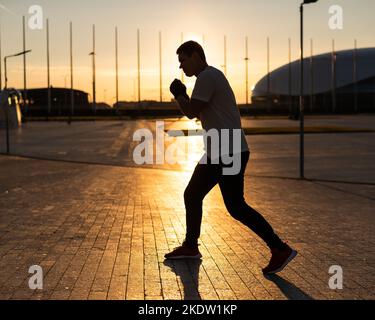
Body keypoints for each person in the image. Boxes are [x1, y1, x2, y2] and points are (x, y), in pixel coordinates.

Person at [165, 40, 297, 274]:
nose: (181, 67)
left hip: (228, 151)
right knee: (196, 195)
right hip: (220, 151)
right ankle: (190, 246)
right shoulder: (210, 77)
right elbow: (198, 113)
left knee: (234, 205)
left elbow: (191, 112)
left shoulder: (207, 77)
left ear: (196, 55)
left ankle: (279, 248)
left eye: (183, 60)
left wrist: (179, 94)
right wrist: (184, 95)